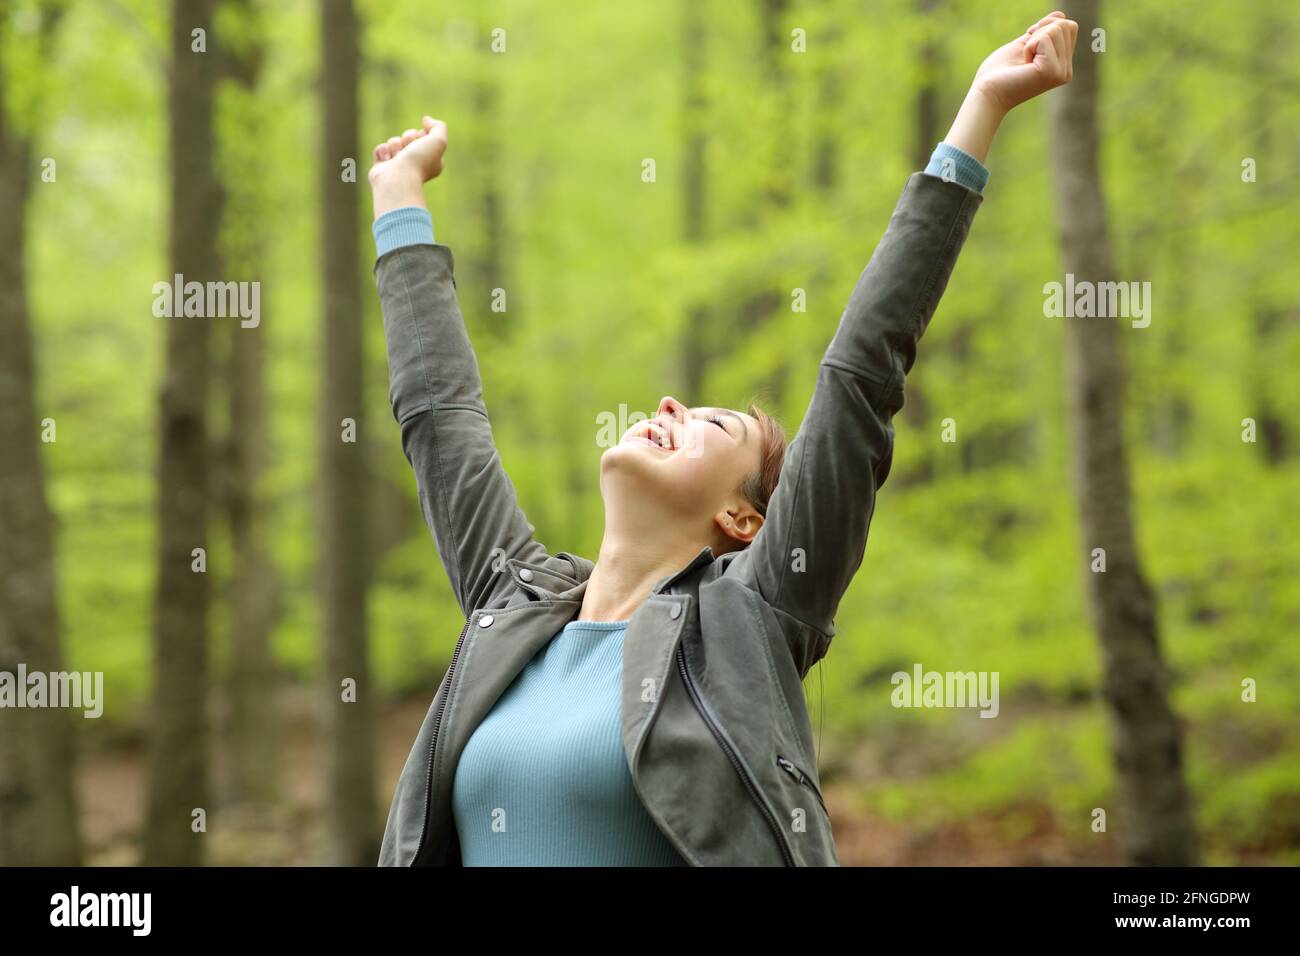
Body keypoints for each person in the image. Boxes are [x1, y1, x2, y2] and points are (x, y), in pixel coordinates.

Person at [369, 12, 1079, 866]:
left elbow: (859, 379)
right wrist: (399, 198)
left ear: (744, 522)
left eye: (711, 423)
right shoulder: (509, 610)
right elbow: (442, 421)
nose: (671, 404)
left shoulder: (749, 621)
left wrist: (979, 114)